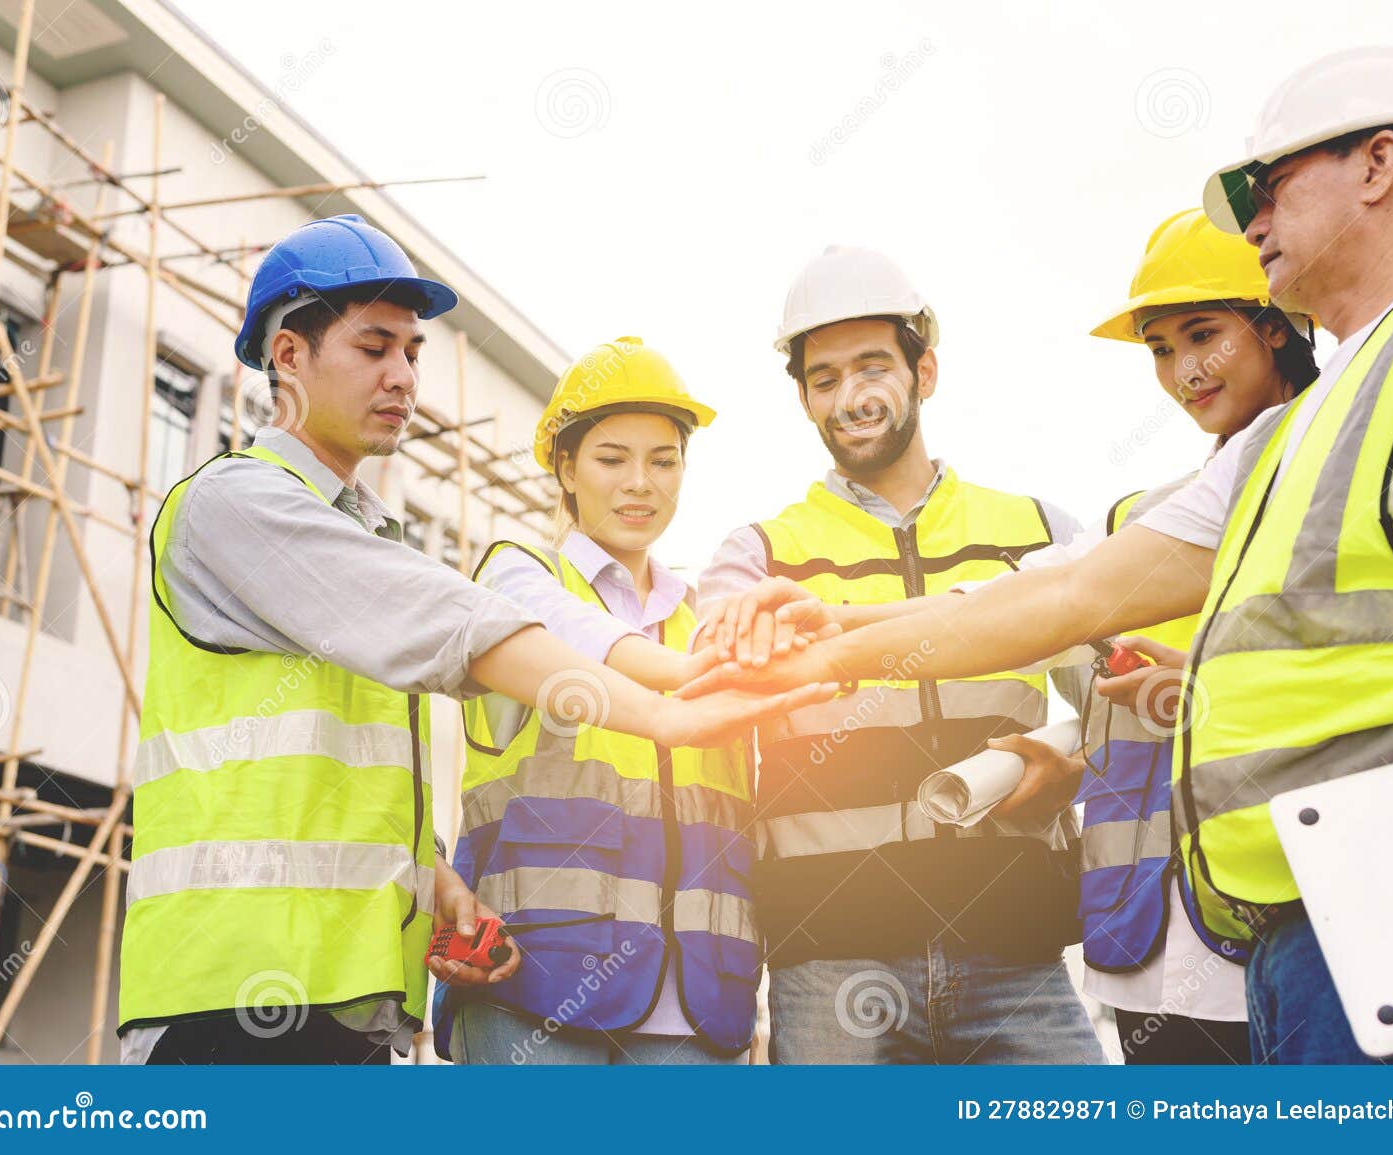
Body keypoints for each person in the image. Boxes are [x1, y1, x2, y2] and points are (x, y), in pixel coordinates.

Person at [692, 48, 1393, 1064]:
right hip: (1301, 930)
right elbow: (1072, 594)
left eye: (1268, 189)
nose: (1253, 224)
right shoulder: (1294, 431)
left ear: (1379, 163)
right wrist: (835, 636)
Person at [117, 215, 834, 1064]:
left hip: (345, 1000)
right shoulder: (235, 504)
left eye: (411, 352)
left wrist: (437, 883)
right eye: (374, 348)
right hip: (225, 991)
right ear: (288, 357)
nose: (402, 376)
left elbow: (340, 779)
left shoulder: (366, 534)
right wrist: (667, 711)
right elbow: (459, 621)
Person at [697, 245, 1103, 1064]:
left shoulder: (1039, 534)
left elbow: (1124, 709)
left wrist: (1077, 769)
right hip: (833, 968)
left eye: (873, 366)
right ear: (805, 400)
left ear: (926, 372)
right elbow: (714, 700)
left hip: (1018, 957)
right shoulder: (758, 557)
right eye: (824, 378)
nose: (850, 396)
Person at [997, 208, 1316, 1064]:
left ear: (1276, 326)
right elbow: (1032, 606)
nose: (1183, 371)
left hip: (1287, 921)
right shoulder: (1138, 518)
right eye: (1161, 349)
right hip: (1145, 939)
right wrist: (1072, 758)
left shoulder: (1331, 476)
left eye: (1203, 334)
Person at [435, 337, 763, 1064]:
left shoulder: (706, 619)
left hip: (703, 1006)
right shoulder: (518, 577)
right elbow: (572, 636)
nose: (640, 483)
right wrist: (694, 669)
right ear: (566, 468)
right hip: (533, 985)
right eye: (612, 459)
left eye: (664, 461)